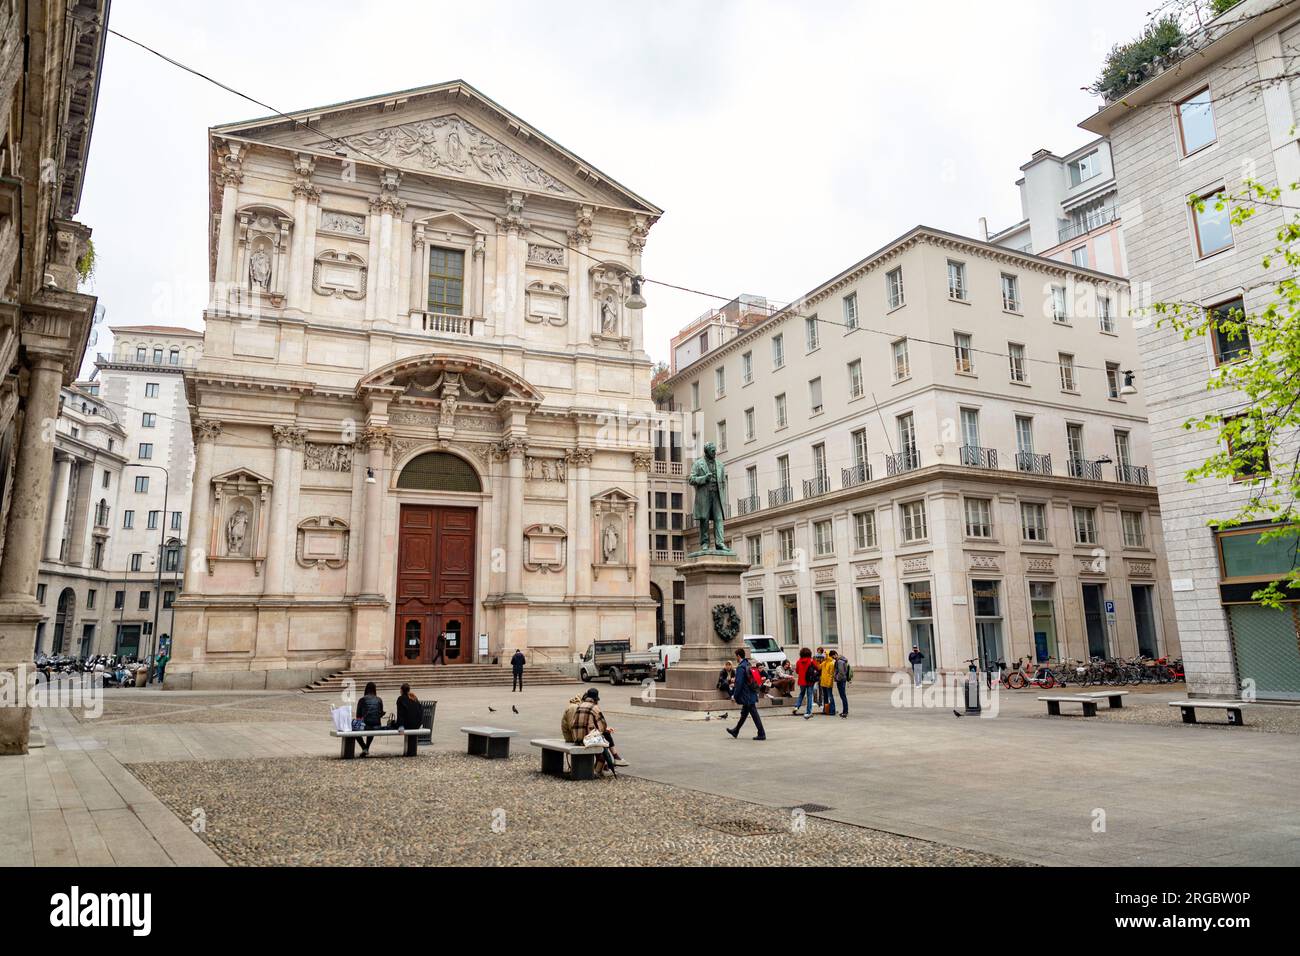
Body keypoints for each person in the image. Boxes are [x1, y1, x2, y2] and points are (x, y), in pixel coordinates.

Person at [571, 688, 625, 775]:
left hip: (577, 739)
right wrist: (606, 729)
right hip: (587, 740)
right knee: (605, 739)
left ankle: (615, 758)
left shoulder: (579, 706)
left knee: (603, 738)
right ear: (596, 699)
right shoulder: (594, 708)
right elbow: (603, 726)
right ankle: (597, 770)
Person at [726, 648, 766, 740]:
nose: (735, 658)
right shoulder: (748, 664)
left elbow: (739, 683)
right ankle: (736, 730)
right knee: (744, 714)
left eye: (736, 656)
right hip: (751, 693)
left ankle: (761, 733)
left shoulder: (740, 667)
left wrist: (735, 695)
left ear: (738, 656)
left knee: (754, 714)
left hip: (746, 694)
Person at [355, 681, 384, 756]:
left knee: (354, 729)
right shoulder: (379, 699)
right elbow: (380, 713)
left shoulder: (362, 700)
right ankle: (366, 747)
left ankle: (364, 747)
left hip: (366, 725)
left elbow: (358, 716)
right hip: (377, 726)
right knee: (372, 724)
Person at [794, 647, 817, 719]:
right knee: (809, 696)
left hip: (801, 681)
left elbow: (797, 671)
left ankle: (796, 707)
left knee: (801, 693)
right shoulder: (811, 661)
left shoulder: (798, 661)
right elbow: (818, 668)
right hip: (809, 681)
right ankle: (808, 712)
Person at [831, 650, 851, 718]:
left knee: (843, 696)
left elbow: (841, 672)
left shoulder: (839, 661)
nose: (833, 658)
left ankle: (845, 711)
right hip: (842, 680)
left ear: (835, 654)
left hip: (841, 680)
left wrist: (837, 678)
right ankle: (845, 711)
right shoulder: (842, 660)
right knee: (843, 696)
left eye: (833, 656)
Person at [819, 647, 837, 715]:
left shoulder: (831, 664)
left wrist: (829, 683)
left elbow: (831, 674)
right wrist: (815, 660)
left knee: (830, 696)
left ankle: (832, 710)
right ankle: (826, 710)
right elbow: (818, 667)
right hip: (823, 682)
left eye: (825, 655)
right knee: (825, 697)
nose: (824, 656)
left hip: (828, 683)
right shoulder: (824, 662)